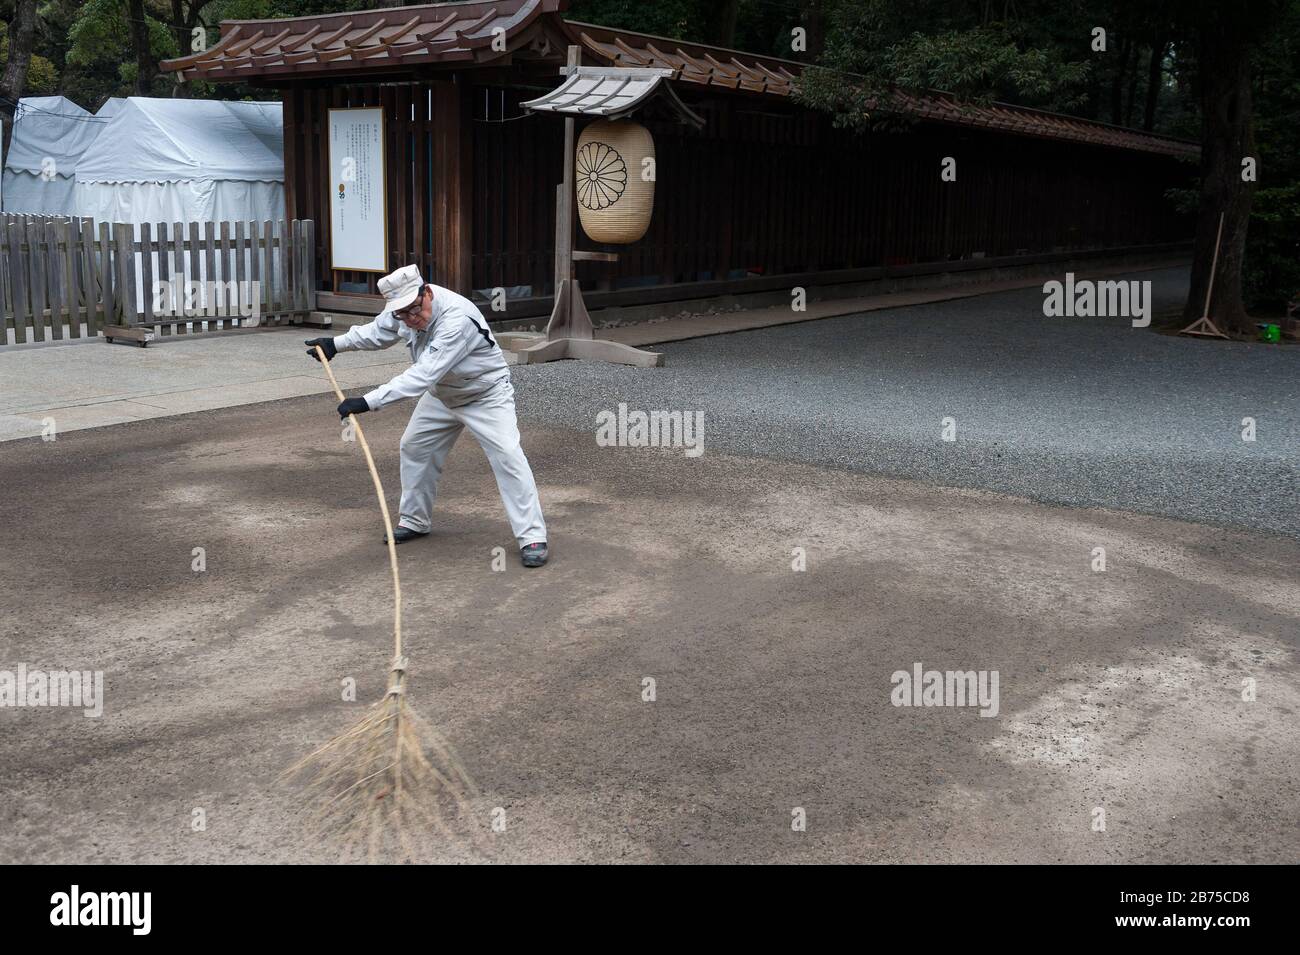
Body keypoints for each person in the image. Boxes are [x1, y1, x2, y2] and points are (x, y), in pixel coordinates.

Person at [306, 265, 548, 568]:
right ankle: (414, 521)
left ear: (427, 292)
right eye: (402, 314)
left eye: (415, 310)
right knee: (414, 446)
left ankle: (532, 537)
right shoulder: (403, 313)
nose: (411, 318)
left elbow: (420, 375)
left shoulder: (457, 318)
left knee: (508, 455)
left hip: (484, 394)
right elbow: (379, 331)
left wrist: (368, 401)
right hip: (441, 394)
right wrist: (335, 344)